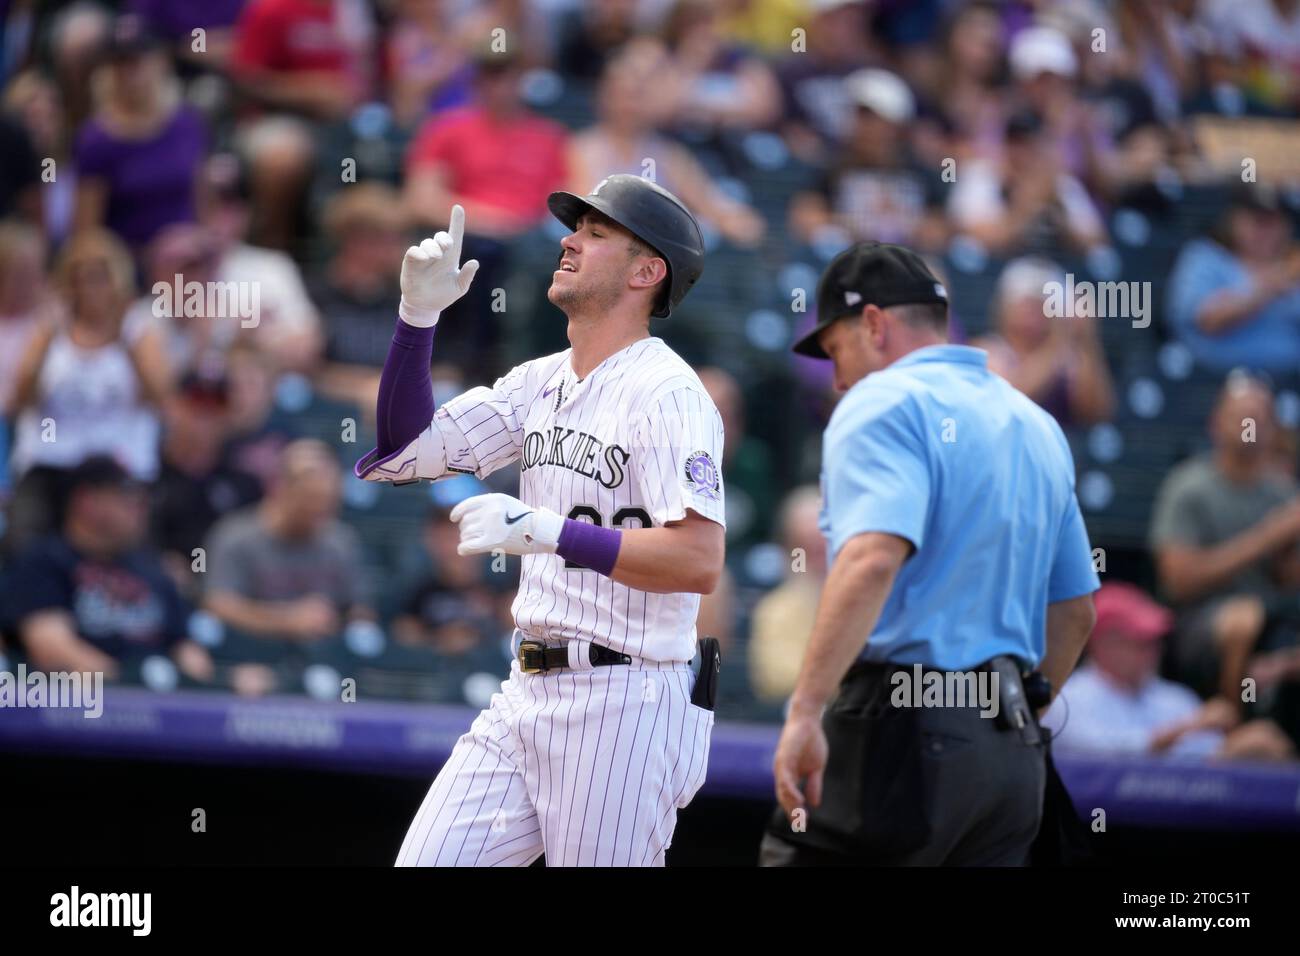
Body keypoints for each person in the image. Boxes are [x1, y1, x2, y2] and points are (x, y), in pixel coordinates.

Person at [356, 175, 725, 867]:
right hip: (527, 687)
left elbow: (698, 560)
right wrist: (416, 319)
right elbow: (406, 453)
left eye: (596, 232)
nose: (569, 238)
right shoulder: (540, 380)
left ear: (648, 271)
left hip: (627, 697)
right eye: (575, 226)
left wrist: (551, 532)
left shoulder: (671, 394)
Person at [761, 241, 1100, 866]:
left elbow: (870, 560)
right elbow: (1077, 611)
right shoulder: (1033, 422)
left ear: (873, 324)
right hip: (1010, 763)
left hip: (902, 734)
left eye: (836, 351)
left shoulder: (883, 399)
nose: (836, 380)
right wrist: (1009, 711)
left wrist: (806, 710)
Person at [1150, 372, 1300, 726]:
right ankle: (1233, 720)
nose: (1253, 426)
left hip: (1275, 614)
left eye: (1262, 418)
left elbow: (1288, 580)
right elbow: (1179, 582)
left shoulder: (1282, 491)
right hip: (1195, 624)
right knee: (1243, 618)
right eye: (1243, 417)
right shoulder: (1189, 487)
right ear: (1216, 424)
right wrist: (1268, 535)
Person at [3, 455, 214, 685]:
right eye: (129, 498)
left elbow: (186, 648)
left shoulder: (151, 567)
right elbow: (51, 650)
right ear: (87, 501)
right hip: (83, 705)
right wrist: (128, 683)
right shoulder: (44, 560)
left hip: (159, 698)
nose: (141, 509)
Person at [1041, 581, 1294, 761]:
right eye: (1140, 642)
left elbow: (1209, 757)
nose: (1152, 652)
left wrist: (1242, 746)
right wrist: (1188, 728)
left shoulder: (1173, 697)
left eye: (1155, 642)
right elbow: (1105, 755)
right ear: (1105, 643)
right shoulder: (1069, 697)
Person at [201, 439, 374, 643]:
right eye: (310, 499)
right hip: (249, 655)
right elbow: (217, 605)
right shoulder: (235, 536)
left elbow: (360, 609)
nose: (319, 513)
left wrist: (343, 622)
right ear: (280, 488)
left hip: (319, 659)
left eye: (328, 504)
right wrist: (287, 619)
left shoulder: (340, 541)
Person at [72, 14, 208, 252]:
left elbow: (203, 204)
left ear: (161, 61)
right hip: (129, 266)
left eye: (137, 61)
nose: (129, 73)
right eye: (120, 63)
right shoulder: (96, 139)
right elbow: (87, 232)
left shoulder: (188, 124)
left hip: (186, 262)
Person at [1165, 184, 1300, 374]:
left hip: (1291, 379)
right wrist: (1265, 290)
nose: (1266, 232)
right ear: (1234, 220)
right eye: (1258, 221)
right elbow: (1207, 320)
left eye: (1274, 222)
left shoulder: (1293, 264)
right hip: (1212, 381)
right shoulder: (1206, 258)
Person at [973, 256, 1115, 429]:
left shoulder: (1069, 356)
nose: (1036, 312)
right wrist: (1060, 339)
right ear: (1005, 306)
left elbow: (1098, 413)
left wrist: (1086, 337)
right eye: (1028, 302)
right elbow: (1009, 398)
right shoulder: (989, 350)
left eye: (1043, 304)